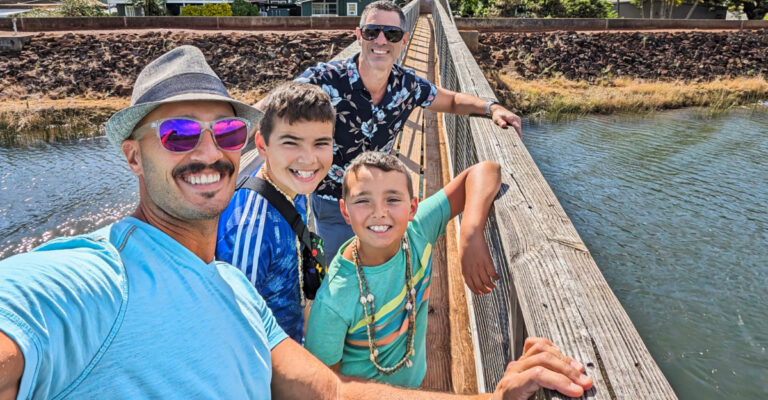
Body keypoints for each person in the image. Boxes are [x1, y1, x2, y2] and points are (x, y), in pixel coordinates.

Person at [0, 45, 592, 400]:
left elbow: (329, 391)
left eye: (223, 131)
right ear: (133, 154)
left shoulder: (232, 289)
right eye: (178, 133)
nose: (208, 152)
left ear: (241, 145)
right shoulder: (97, 279)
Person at [296, 0, 523, 262]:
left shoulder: (408, 85)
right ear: (359, 36)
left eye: (391, 34)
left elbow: (450, 101)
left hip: (382, 202)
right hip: (333, 202)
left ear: (404, 41)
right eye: (372, 32)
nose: (381, 40)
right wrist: (239, 123)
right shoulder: (325, 80)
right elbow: (277, 105)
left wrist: (491, 107)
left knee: (380, 273)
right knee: (337, 275)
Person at [305, 152, 502, 388]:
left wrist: (470, 232)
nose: (379, 212)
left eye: (392, 199)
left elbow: (487, 170)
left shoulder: (418, 230)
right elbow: (322, 387)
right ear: (345, 211)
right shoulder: (334, 301)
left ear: (412, 207)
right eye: (363, 200)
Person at [216, 82, 335, 342]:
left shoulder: (293, 188)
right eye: (291, 143)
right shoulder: (250, 230)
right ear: (261, 144)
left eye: (321, 143)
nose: (308, 159)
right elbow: (233, 332)